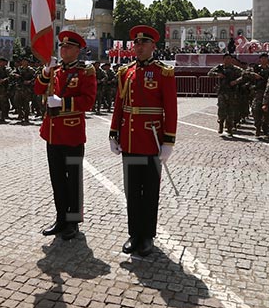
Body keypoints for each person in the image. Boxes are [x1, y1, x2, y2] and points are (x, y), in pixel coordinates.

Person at [109, 25, 177, 257]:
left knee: (149, 191)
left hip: (151, 139)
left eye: (144, 43)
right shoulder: (125, 72)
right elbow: (119, 104)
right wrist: (113, 133)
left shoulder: (163, 73)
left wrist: (168, 141)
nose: (139, 47)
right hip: (129, 140)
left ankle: (147, 235)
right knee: (132, 190)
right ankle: (134, 234)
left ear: (153, 46)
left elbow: (171, 109)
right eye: (136, 43)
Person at [35, 31, 97, 240]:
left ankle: (73, 222)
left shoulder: (85, 72)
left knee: (73, 180)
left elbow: (88, 101)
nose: (63, 49)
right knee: (58, 179)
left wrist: (62, 103)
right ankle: (61, 218)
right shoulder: (55, 70)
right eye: (62, 46)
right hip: (52, 133)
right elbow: (38, 89)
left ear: (78, 50)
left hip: (72, 133)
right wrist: (46, 71)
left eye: (68, 47)